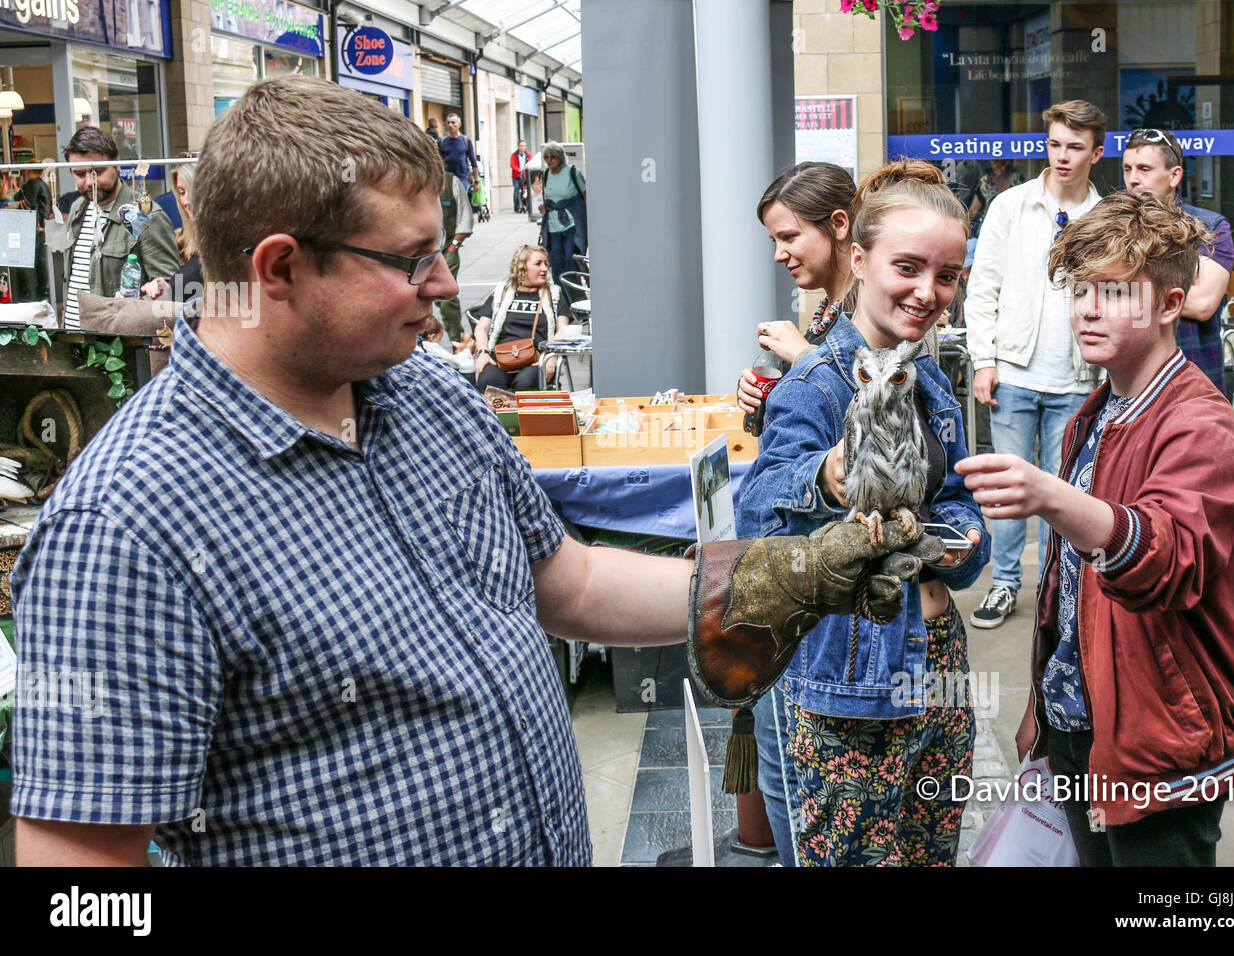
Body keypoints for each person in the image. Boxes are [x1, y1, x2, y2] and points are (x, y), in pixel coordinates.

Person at [8, 76, 902, 867]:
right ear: (278, 267)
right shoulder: (126, 525)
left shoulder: (428, 393)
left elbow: (573, 580)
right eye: (411, 260)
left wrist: (774, 575)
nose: (444, 285)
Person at [958, 192, 1234, 866]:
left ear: (1168, 304)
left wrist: (1048, 495)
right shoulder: (1095, 413)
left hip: (1162, 733)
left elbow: (1167, 558)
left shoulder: (1199, 423)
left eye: (1116, 291)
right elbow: (1070, 592)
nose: (1088, 309)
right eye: (1080, 290)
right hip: (1083, 720)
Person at [737, 161, 990, 866]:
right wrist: (826, 472)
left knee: (930, 853)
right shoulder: (815, 384)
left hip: (937, 669)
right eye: (907, 267)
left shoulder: (931, 381)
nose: (927, 291)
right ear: (859, 259)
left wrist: (958, 537)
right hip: (851, 681)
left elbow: (957, 505)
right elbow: (757, 509)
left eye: (947, 276)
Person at [963, 100, 1107, 630]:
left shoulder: (1106, 216)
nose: (1062, 156)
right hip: (1014, 375)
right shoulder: (1010, 206)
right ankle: (1003, 585)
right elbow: (983, 289)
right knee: (1006, 493)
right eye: (1054, 144)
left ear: (1096, 151)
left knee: (1063, 494)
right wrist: (984, 359)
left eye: (1074, 146)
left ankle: (1056, 587)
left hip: (1076, 379)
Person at [736, 161, 945, 425]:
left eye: (789, 237)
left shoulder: (883, 303)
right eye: (775, 241)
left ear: (839, 223)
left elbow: (895, 408)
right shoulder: (837, 303)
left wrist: (803, 355)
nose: (779, 255)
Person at [1121, 128, 1233, 395]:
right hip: (1131, 380)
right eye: (1127, 169)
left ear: (1175, 175)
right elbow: (1098, 295)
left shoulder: (1210, 227)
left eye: (1144, 169)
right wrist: (1176, 290)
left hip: (1194, 380)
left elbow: (1203, 304)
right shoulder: (1115, 227)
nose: (1133, 179)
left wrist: (1126, 287)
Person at [60, 126, 181, 331]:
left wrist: (132, 303)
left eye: (97, 172)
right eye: (79, 174)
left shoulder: (145, 215)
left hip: (116, 347)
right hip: (71, 340)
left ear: (116, 164)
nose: (90, 182)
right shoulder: (77, 209)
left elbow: (169, 291)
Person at [472, 244, 572, 392]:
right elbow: (481, 328)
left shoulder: (554, 294)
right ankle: (495, 416)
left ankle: (520, 416)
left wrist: (551, 356)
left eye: (546, 264)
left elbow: (562, 330)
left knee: (525, 385)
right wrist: (482, 353)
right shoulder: (502, 292)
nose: (545, 269)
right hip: (501, 358)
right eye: (538, 264)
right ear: (521, 267)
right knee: (488, 382)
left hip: (535, 360)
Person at [142, 161, 203, 302]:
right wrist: (167, 290)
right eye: (181, 193)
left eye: (193, 191)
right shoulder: (198, 247)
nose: (186, 201)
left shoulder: (228, 249)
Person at [436, 162, 474, 344]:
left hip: (447, 250)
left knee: (446, 295)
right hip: (420, 253)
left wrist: (455, 245)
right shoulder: (412, 182)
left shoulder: (451, 182)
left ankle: (455, 339)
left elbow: (465, 215)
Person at [538, 143, 586, 279]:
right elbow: (547, 198)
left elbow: (585, 195)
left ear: (560, 157)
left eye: (553, 156)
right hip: (553, 226)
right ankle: (560, 295)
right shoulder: (546, 174)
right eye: (546, 157)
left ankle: (573, 294)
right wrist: (544, 208)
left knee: (570, 261)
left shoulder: (573, 173)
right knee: (556, 261)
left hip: (572, 224)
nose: (549, 160)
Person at [9, 166, 54, 302]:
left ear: (29, 171)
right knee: (40, 262)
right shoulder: (44, 185)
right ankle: (43, 294)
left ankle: (27, 296)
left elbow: (27, 203)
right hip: (41, 228)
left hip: (31, 227)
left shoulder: (31, 184)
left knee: (26, 264)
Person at [966, 158, 1025, 238]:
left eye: (997, 160)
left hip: (1012, 230)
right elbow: (973, 211)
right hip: (988, 230)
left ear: (1007, 161)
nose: (994, 163)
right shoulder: (986, 181)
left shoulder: (1018, 180)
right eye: (992, 160)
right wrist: (964, 230)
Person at [438, 112, 479, 190]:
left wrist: (476, 181)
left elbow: (473, 161)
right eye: (448, 123)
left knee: (463, 202)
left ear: (459, 124)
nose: (450, 125)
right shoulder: (442, 142)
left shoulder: (466, 141)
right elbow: (438, 162)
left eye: (453, 122)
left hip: (463, 180)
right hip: (447, 180)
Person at [510, 140, 531, 214]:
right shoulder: (514, 155)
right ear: (518, 146)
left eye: (524, 146)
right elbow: (512, 165)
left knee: (526, 190)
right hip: (516, 176)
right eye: (521, 146)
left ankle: (527, 206)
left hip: (525, 175)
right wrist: (518, 169)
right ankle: (517, 206)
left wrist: (526, 169)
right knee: (517, 190)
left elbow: (531, 163)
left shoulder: (528, 154)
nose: (522, 147)